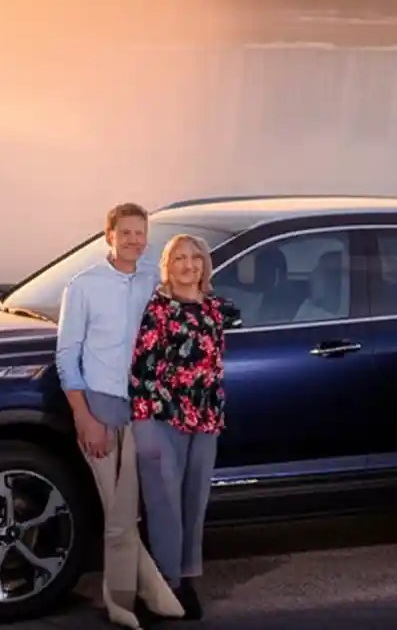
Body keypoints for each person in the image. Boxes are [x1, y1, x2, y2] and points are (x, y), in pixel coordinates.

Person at [55, 202, 184, 629]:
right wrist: (84, 417)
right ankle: (130, 603)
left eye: (140, 233)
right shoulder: (84, 286)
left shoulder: (154, 281)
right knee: (117, 512)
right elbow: (67, 356)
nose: (134, 240)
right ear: (108, 236)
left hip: (144, 411)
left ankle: (133, 598)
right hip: (100, 407)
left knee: (125, 515)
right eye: (125, 232)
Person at [129, 234, 233, 621]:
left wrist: (212, 410)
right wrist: (145, 417)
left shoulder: (213, 309)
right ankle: (161, 588)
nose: (189, 265)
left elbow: (213, 367)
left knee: (194, 502)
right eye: (180, 259)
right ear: (167, 267)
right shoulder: (157, 309)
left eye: (196, 258)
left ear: (204, 265)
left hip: (204, 419)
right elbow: (141, 370)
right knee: (163, 504)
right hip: (160, 418)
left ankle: (185, 580)